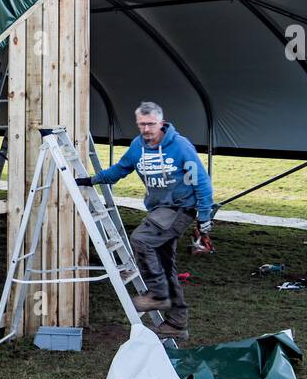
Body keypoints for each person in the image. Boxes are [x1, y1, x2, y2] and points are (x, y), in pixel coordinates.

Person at [77, 101, 212, 341]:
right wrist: (92, 180)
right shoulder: (137, 146)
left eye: (151, 124)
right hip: (159, 209)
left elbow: (202, 181)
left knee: (141, 240)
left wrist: (204, 217)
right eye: (142, 124)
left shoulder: (180, 146)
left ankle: (158, 294)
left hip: (181, 207)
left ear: (161, 122)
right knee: (164, 264)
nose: (147, 129)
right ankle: (176, 324)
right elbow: (120, 169)